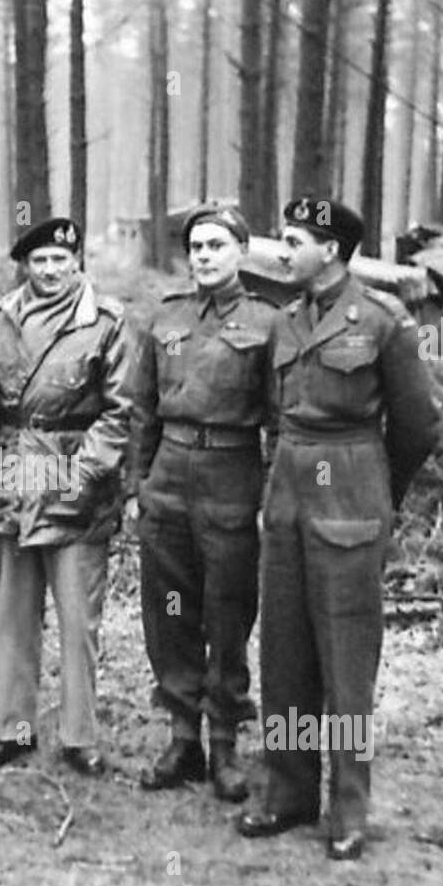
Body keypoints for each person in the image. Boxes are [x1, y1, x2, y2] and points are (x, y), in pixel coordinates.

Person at [237, 195, 441, 860]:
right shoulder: (284, 320)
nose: (282, 249)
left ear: (331, 250)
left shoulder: (383, 320)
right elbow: (275, 412)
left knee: (348, 660)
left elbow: (417, 425)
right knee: (287, 654)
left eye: (293, 239)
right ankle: (289, 791)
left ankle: (348, 808)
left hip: (351, 490)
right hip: (290, 489)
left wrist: (381, 494)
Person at [0, 217, 135, 778]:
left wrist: (80, 475)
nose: (49, 271)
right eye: (39, 261)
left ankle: (78, 736)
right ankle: (14, 728)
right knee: (14, 618)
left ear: (77, 264)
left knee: (77, 620)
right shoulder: (2, 317)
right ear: (26, 265)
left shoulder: (107, 322)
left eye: (60, 261)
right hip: (15, 483)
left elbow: (121, 415)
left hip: (75, 487)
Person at [132, 201, 278, 801]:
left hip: (231, 475)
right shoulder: (165, 318)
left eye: (217, 245)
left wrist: (269, 495)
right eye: (196, 247)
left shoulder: (269, 323)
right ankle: (181, 737)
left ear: (241, 251)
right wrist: (138, 486)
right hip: (168, 477)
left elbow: (279, 420)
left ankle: (224, 744)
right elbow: (142, 409)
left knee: (228, 611)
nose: (205, 257)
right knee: (168, 612)